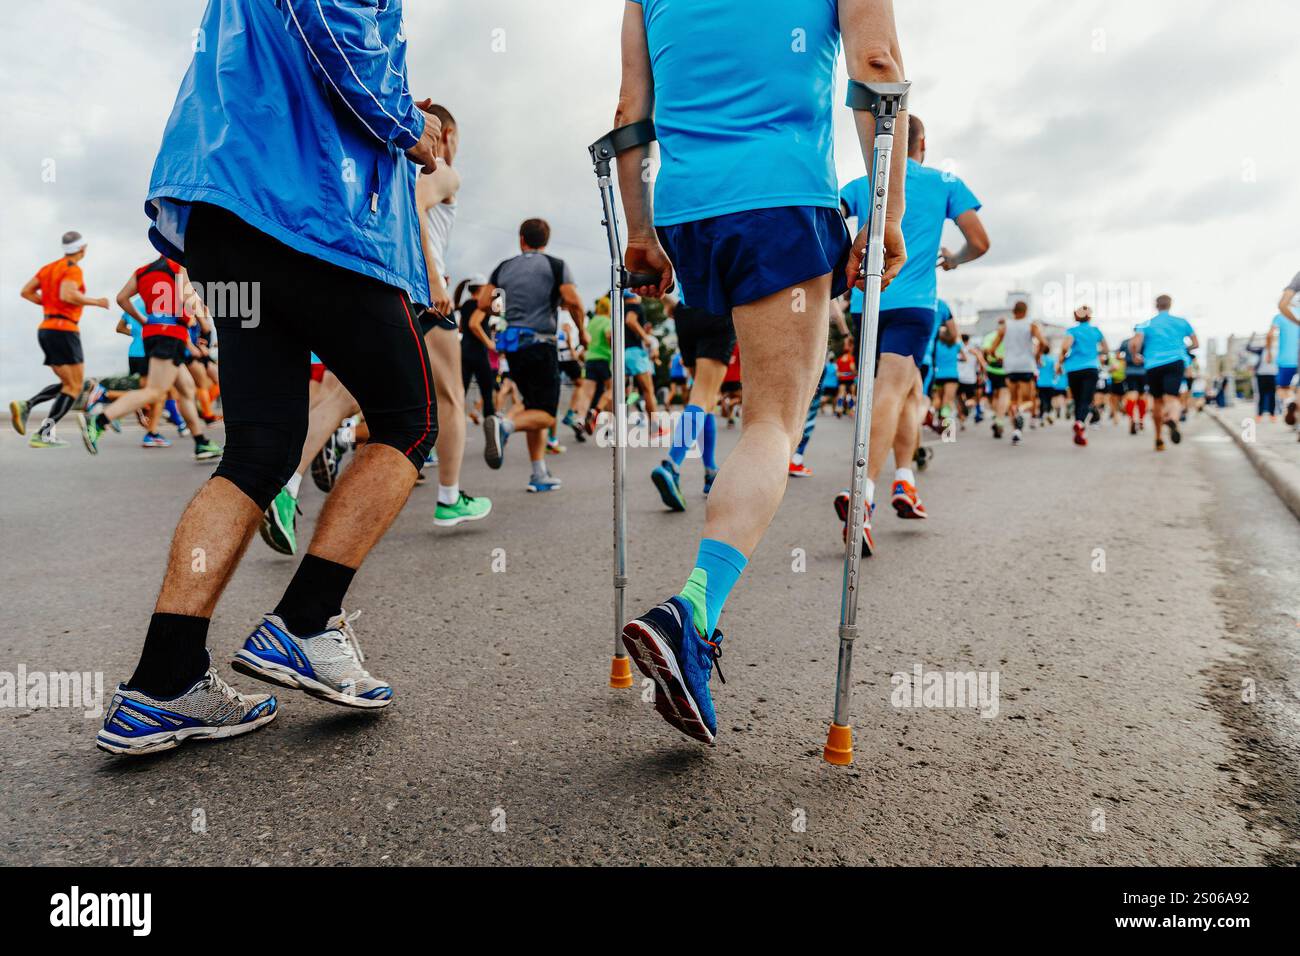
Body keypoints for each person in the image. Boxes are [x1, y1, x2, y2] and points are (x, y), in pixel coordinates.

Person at [95, 0, 445, 756]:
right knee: (408, 421)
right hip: (307, 210)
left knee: (260, 449)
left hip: (222, 218)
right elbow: (335, 26)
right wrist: (409, 126)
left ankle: (164, 681)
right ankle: (306, 621)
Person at [611, 0, 906, 745]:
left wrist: (641, 231)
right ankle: (692, 611)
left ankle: (689, 606)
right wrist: (887, 215)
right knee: (773, 420)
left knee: (730, 399)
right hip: (782, 194)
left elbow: (629, 113)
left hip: (687, 209)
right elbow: (877, 68)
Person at [837, 113, 987, 542]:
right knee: (891, 389)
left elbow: (829, 216)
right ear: (922, 144)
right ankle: (863, 495)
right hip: (914, 304)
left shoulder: (865, 181)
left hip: (867, 302)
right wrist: (955, 259)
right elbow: (980, 242)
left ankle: (905, 479)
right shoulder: (944, 182)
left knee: (909, 390)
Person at [473, 218, 585, 492]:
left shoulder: (504, 266)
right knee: (546, 415)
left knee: (533, 407)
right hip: (541, 345)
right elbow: (573, 301)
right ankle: (505, 425)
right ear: (546, 240)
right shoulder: (556, 265)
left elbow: (484, 303)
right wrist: (583, 332)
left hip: (514, 347)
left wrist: (507, 308)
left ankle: (539, 473)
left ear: (521, 239)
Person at [77, 255, 223, 461]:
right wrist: (204, 324)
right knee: (154, 391)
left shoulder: (142, 271)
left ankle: (201, 442)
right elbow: (188, 297)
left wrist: (144, 320)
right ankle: (99, 421)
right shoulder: (177, 266)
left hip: (154, 335)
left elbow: (121, 298)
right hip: (170, 335)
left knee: (186, 388)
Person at [12, 231, 112, 447]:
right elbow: (68, 294)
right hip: (64, 330)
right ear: (82, 248)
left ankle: (29, 408)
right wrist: (97, 302)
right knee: (74, 386)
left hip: (47, 329)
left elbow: (26, 292)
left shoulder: (48, 268)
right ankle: (42, 431)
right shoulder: (72, 269)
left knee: (70, 384)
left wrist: (50, 304)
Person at [650, 290, 736, 508]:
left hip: (685, 313)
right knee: (704, 397)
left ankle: (710, 472)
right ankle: (672, 464)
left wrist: (666, 299)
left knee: (706, 399)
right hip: (716, 308)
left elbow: (666, 287)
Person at [1130, 295, 1197, 452]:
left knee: (1157, 401)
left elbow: (1134, 343)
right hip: (1175, 361)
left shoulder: (1146, 324)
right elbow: (1195, 343)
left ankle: (1158, 439)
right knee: (1172, 398)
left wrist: (1135, 355)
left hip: (1153, 364)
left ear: (1156, 305)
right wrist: (1183, 350)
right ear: (1170, 304)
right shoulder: (1182, 322)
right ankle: (1172, 419)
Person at [984, 301, 1044, 445]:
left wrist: (997, 357)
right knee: (1028, 400)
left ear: (1013, 311)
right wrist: (1037, 357)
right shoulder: (1031, 325)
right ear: (1026, 311)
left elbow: (990, 350)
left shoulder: (1006, 327)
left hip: (1009, 367)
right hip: (1026, 366)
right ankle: (1020, 413)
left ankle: (1015, 430)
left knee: (1012, 399)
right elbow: (1043, 342)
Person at [1055, 305, 1108, 447]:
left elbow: (1065, 347)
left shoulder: (1072, 331)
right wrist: (1098, 355)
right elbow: (1105, 348)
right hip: (1090, 368)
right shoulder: (1096, 331)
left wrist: (1061, 362)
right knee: (1086, 399)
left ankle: (1079, 425)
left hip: (1073, 369)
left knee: (1078, 399)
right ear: (1089, 316)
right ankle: (1080, 423)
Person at [1254, 327, 1279, 420]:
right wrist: (1252, 336)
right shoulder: (1261, 349)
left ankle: (1272, 414)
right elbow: (1248, 348)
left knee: (1272, 396)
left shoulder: (1277, 349)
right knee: (1261, 395)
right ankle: (1259, 414)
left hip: (1273, 374)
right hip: (1261, 375)